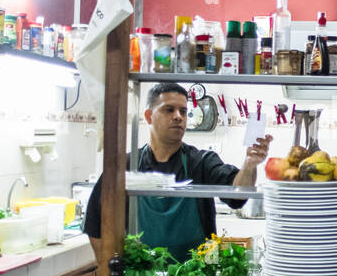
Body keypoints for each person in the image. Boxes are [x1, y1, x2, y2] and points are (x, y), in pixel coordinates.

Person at [83, 82, 272, 262]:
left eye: (183, 111)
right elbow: (95, 223)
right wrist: (112, 275)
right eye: (169, 110)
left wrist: (250, 164)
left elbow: (238, 196)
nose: (178, 116)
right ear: (149, 116)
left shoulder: (201, 162)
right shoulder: (125, 166)